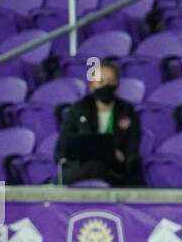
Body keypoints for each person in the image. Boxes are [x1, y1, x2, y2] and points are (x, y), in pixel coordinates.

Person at [54, 57, 142, 186]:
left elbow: (131, 151)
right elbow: (63, 147)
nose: (106, 86)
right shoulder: (79, 109)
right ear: (91, 85)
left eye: (110, 82)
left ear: (117, 85)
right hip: (81, 169)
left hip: (115, 173)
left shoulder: (127, 112)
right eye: (100, 82)